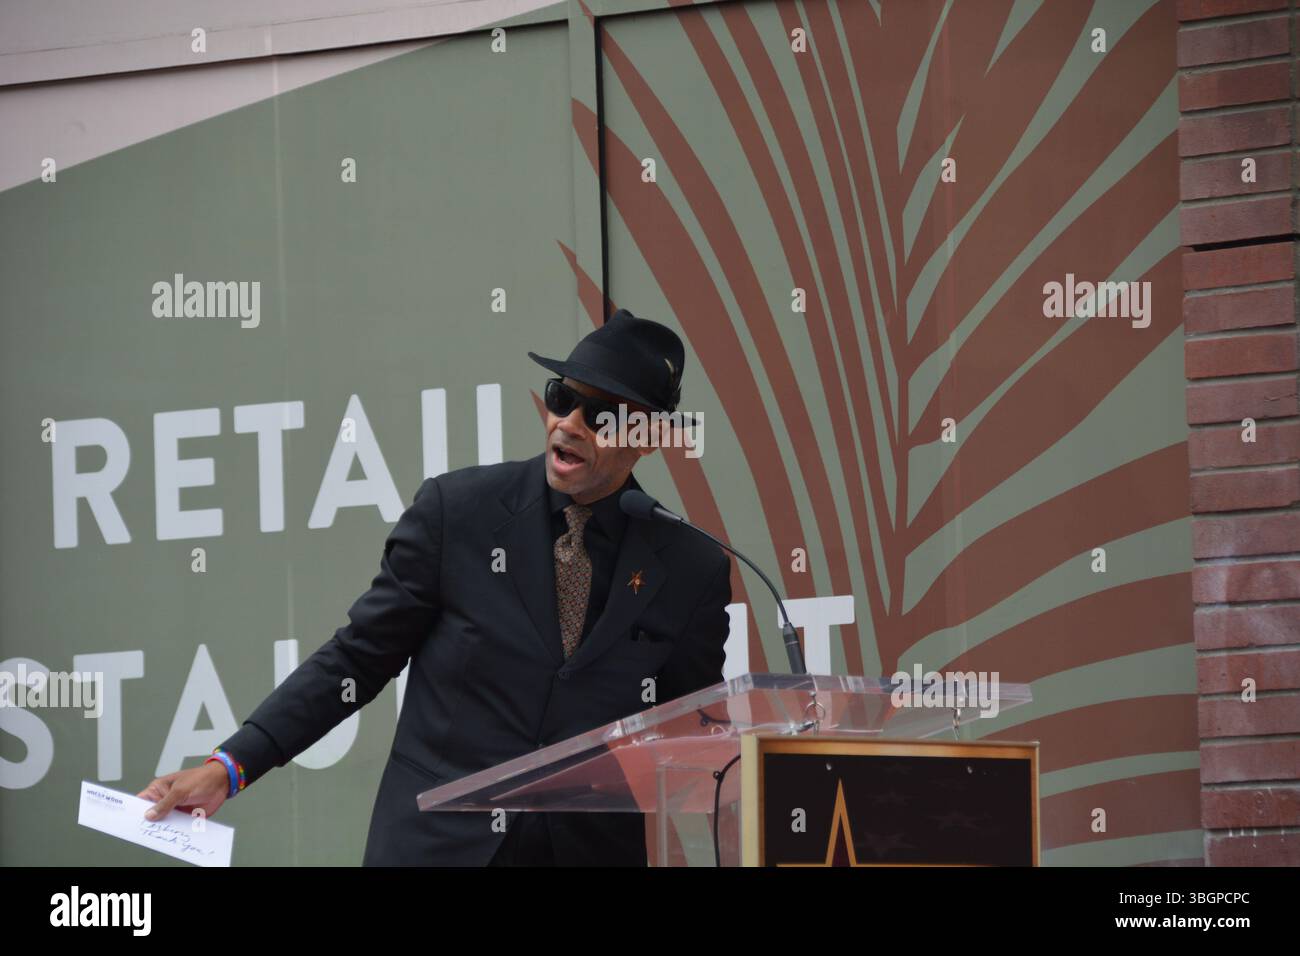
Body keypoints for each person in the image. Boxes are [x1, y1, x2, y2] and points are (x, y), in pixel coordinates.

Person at [136, 309, 732, 865]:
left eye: (599, 415)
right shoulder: (459, 513)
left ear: (651, 436)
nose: (569, 424)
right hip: (436, 850)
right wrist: (230, 766)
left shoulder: (692, 567)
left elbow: (690, 736)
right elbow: (356, 660)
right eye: (562, 398)